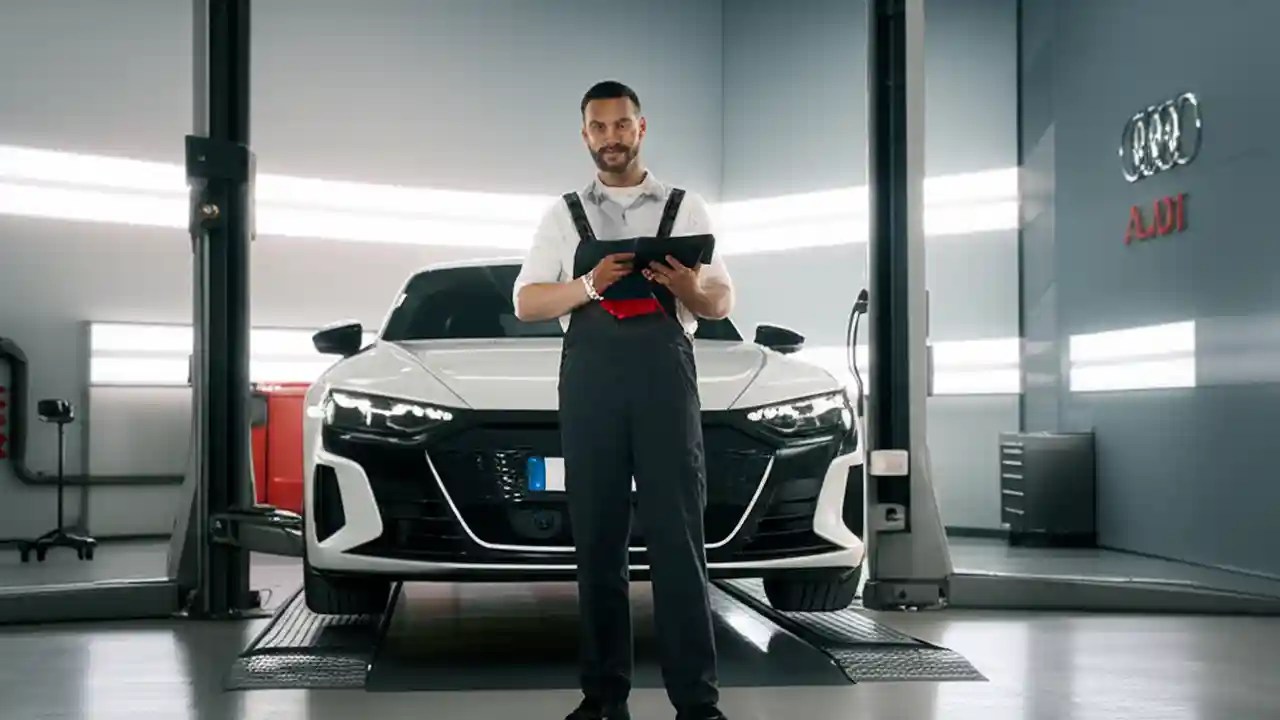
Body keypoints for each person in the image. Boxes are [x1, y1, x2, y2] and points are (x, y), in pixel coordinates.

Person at [512, 80, 734, 720]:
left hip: (665, 381)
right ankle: (603, 698)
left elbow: (721, 303)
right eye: (598, 127)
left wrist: (689, 287)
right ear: (585, 134)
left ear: (642, 128)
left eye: (621, 125)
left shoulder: (687, 209)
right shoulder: (562, 216)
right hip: (592, 385)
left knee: (679, 542)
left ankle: (697, 704)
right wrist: (588, 282)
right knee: (599, 542)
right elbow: (526, 301)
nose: (610, 137)